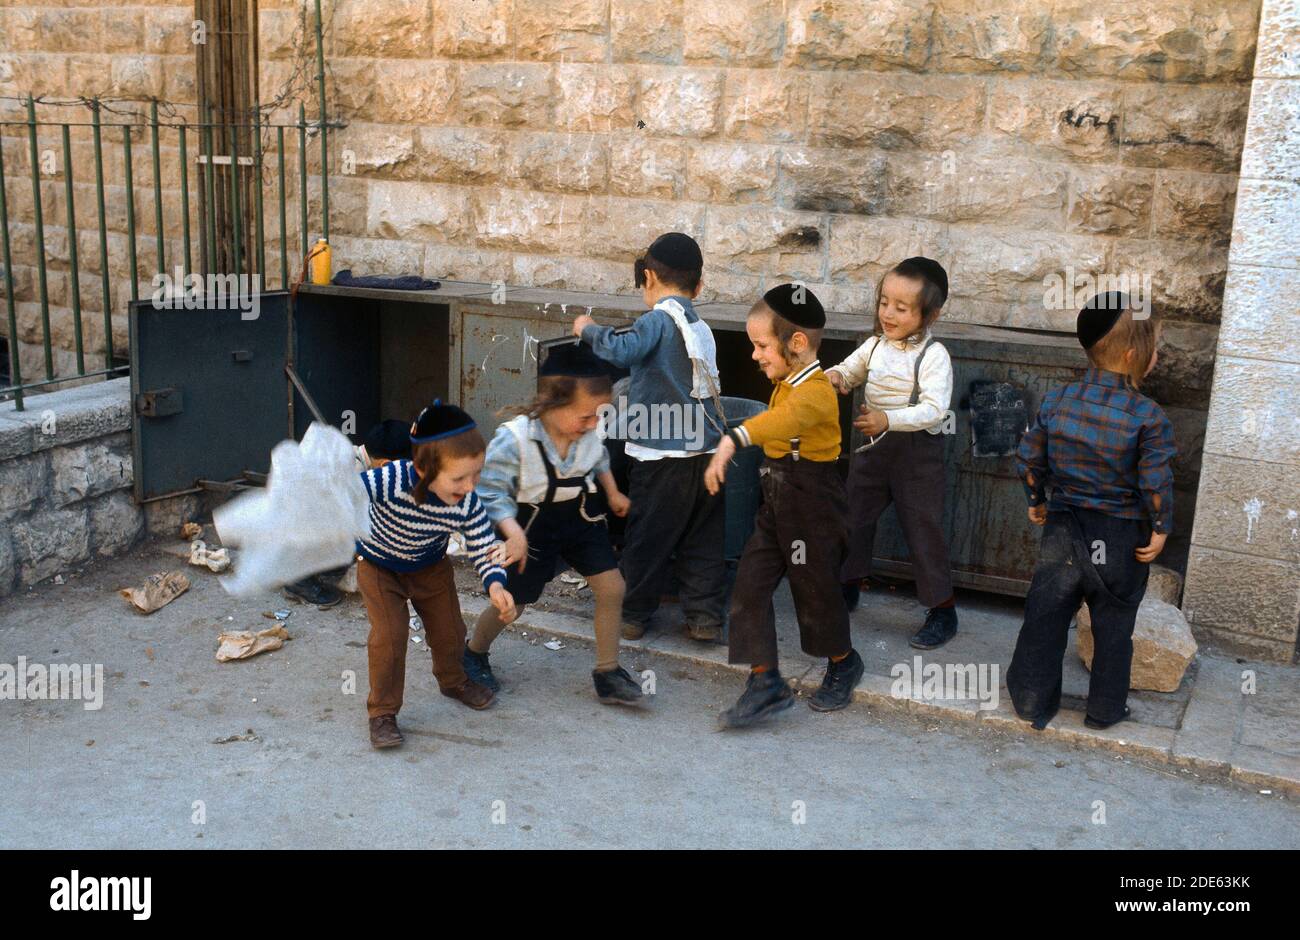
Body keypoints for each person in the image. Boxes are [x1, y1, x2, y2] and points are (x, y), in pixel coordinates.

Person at [1007, 292, 1175, 731]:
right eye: (1156, 345)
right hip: (1120, 538)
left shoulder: (1057, 400)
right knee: (1114, 624)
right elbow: (1155, 481)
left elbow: (1028, 461)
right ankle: (1104, 710)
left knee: (1045, 614)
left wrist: (1036, 502)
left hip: (1064, 529)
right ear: (1137, 355)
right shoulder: (1148, 416)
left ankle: (1030, 699)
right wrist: (1160, 528)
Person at [705, 284, 864, 727]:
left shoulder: (815, 392)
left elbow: (783, 421)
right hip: (776, 499)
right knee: (748, 585)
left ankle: (844, 662)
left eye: (761, 345)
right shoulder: (784, 380)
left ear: (796, 344)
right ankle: (765, 681)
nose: (754, 355)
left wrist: (732, 439)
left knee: (815, 590)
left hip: (812, 501)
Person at [572, 232, 728, 643]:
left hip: (664, 457)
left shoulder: (656, 320)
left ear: (648, 278)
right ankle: (704, 617)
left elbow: (623, 353)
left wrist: (589, 330)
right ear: (699, 286)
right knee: (703, 542)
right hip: (709, 452)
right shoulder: (700, 325)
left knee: (647, 538)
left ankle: (634, 614)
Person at [469, 342, 644, 705]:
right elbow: (490, 492)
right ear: (552, 403)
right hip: (529, 526)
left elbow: (598, 461)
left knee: (612, 588)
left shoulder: (588, 431)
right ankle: (473, 652)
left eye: (599, 416)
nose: (594, 424)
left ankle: (608, 672)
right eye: (586, 416)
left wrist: (612, 493)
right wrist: (513, 534)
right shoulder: (514, 439)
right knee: (514, 603)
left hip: (579, 519)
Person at [357, 401, 516, 749]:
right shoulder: (391, 478)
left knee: (450, 630)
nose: (471, 486)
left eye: (477, 474)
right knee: (389, 636)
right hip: (379, 567)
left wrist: (495, 583)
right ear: (424, 468)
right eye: (459, 478)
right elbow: (346, 495)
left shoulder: (467, 501)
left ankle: (453, 680)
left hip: (430, 567)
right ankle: (382, 712)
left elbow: (483, 544)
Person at [827, 257, 959, 650]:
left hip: (917, 455)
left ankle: (942, 609)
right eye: (884, 302)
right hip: (873, 450)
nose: (888, 313)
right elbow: (849, 370)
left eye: (901, 308)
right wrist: (835, 376)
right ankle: (847, 584)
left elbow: (935, 410)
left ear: (930, 313)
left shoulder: (934, 356)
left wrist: (888, 418)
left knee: (923, 529)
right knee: (853, 517)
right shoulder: (874, 346)